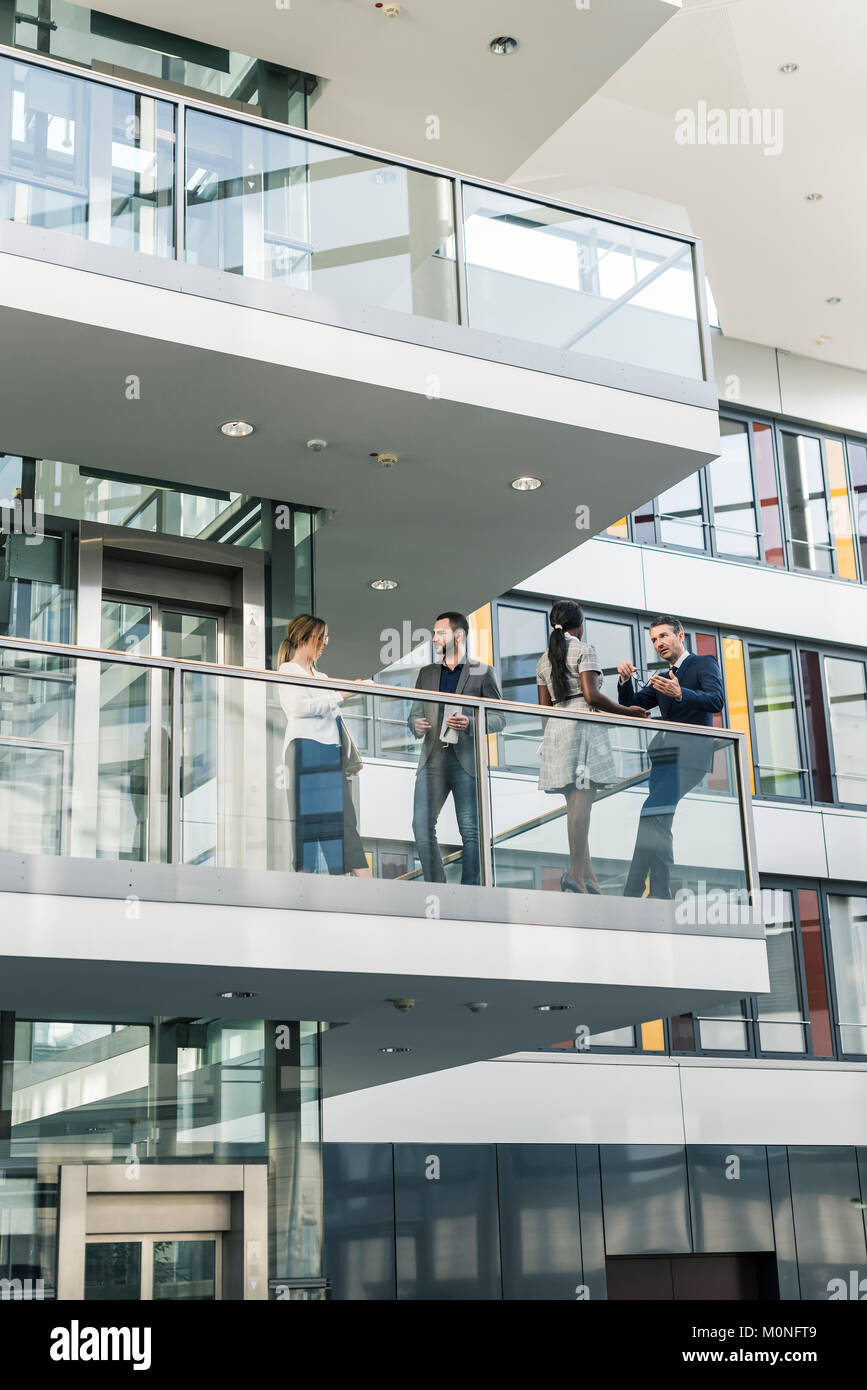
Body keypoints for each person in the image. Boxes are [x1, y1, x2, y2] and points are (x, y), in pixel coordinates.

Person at [536, 600, 649, 893]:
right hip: (582, 728)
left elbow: (543, 709)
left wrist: (548, 743)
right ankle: (575, 874)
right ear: (580, 624)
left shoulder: (543, 659)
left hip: (557, 731)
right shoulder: (585, 650)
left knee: (575, 809)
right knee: (582, 805)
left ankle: (588, 878)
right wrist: (629, 710)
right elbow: (592, 696)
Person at [617, 614, 724, 899]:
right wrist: (625, 680)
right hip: (663, 759)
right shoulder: (661, 678)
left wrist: (680, 694)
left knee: (651, 814)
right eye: (654, 639)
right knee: (658, 821)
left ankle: (635, 889)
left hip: (691, 756)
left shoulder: (704, 663)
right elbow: (631, 705)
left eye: (663, 636)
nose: (658, 643)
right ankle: (660, 892)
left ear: (680, 636)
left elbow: (716, 701)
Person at [409, 612, 505, 885]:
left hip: (465, 761)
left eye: (440, 633)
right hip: (432, 759)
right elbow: (413, 714)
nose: (434, 638)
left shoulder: (483, 672)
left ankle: (469, 891)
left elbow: (499, 719)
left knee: (471, 831)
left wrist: (471, 722)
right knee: (421, 826)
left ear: (458, 635)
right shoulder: (426, 674)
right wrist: (415, 725)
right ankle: (437, 887)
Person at [277, 615, 370, 878]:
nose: (325, 643)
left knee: (344, 822)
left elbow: (331, 714)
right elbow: (298, 709)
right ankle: (305, 888)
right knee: (307, 823)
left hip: (330, 753)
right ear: (307, 637)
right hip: (304, 749)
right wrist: (339, 695)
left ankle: (358, 885)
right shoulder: (288, 670)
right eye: (322, 638)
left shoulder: (321, 676)